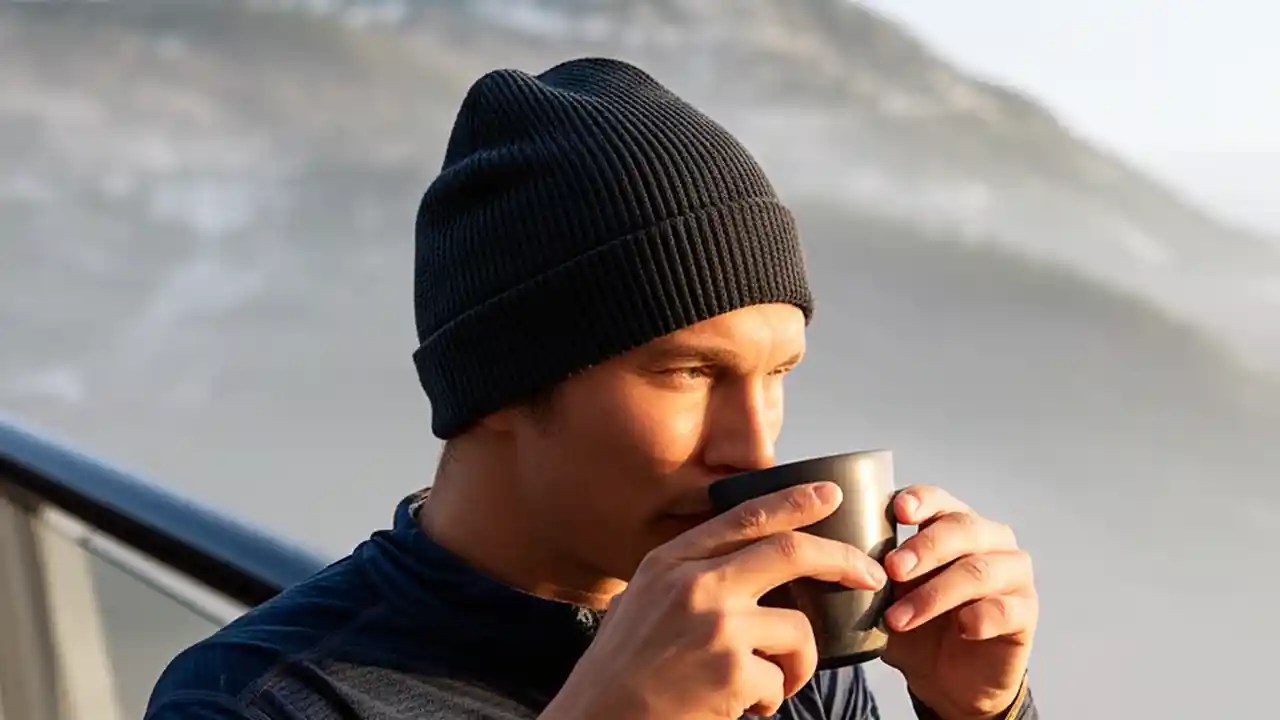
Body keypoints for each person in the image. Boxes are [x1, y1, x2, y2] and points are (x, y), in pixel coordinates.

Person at [145, 57, 1038, 720]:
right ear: (502, 383)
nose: (754, 449)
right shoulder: (263, 701)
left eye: (777, 374)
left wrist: (979, 712)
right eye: (691, 373)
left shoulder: (788, 631)